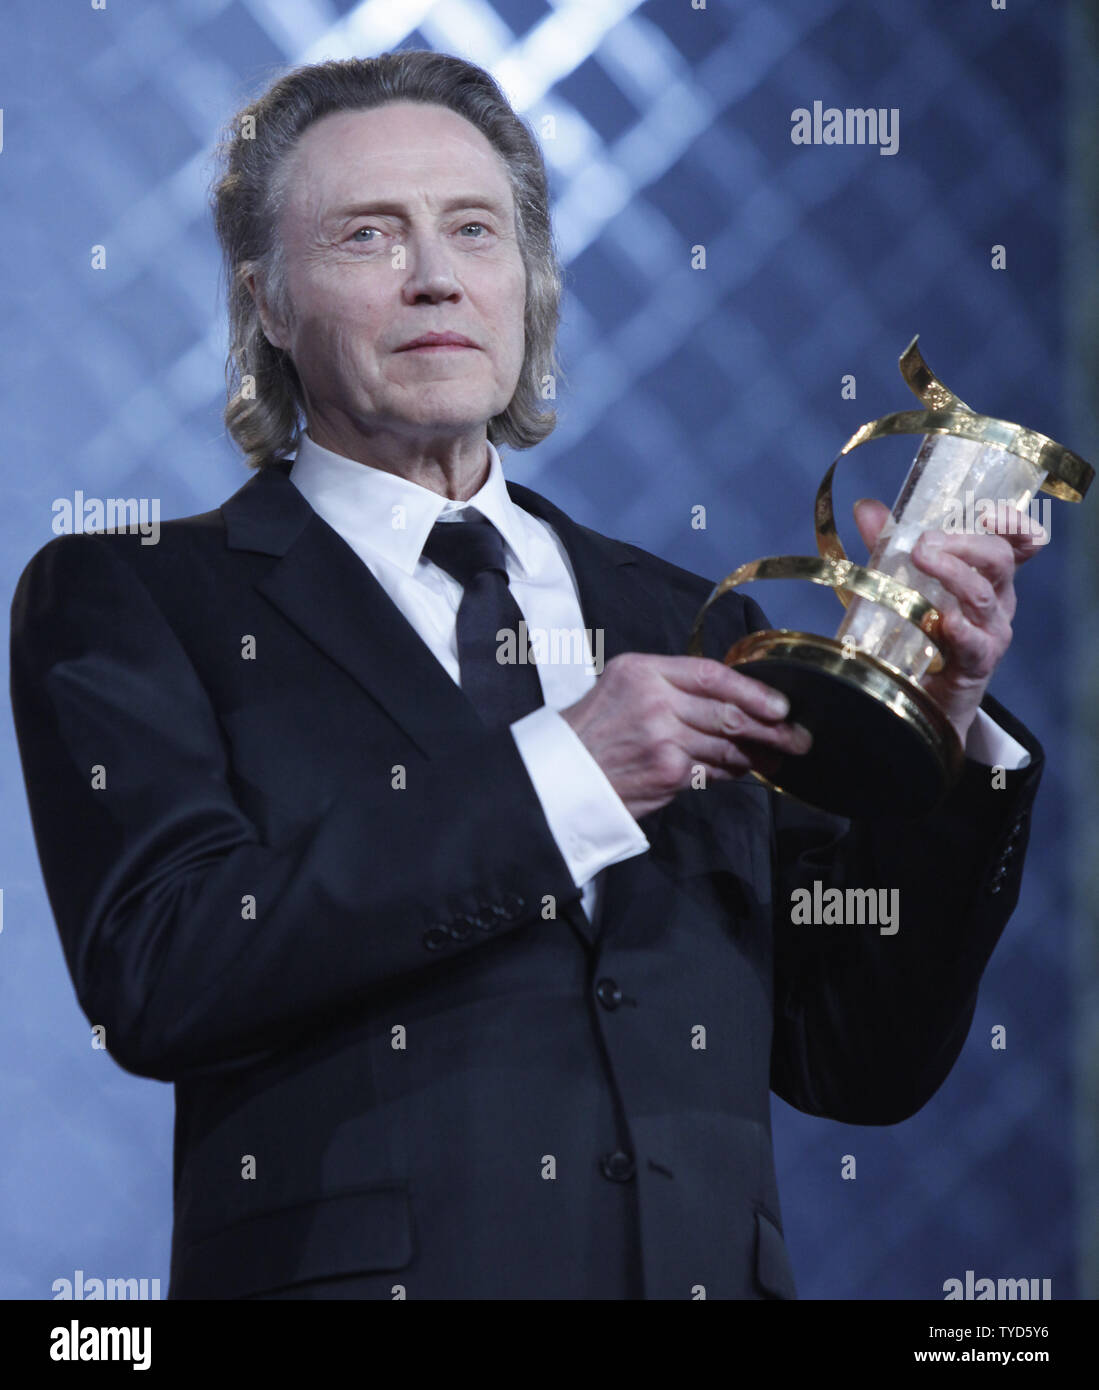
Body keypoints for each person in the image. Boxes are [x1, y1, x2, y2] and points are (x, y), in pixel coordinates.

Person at [9, 51, 1043, 1301]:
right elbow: (162, 970)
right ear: (267, 301)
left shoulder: (687, 615)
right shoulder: (133, 596)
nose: (435, 274)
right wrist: (566, 771)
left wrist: (940, 726)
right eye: (368, 234)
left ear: (527, 280)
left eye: (474, 230)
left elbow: (854, 1060)